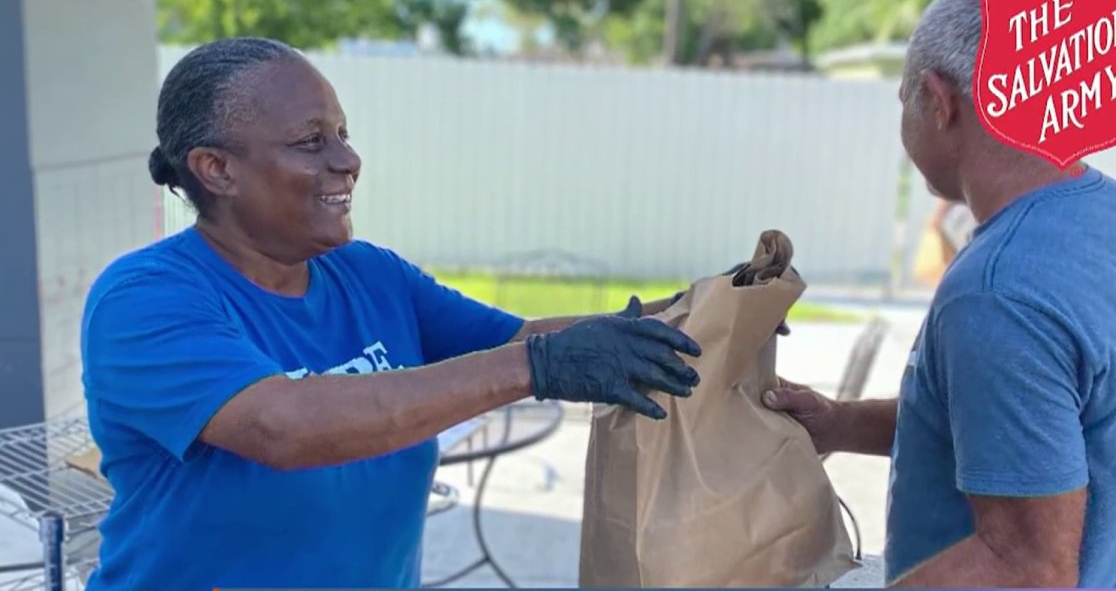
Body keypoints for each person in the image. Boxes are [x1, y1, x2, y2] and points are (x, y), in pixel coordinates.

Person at [79, 37, 713, 590]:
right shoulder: (143, 298)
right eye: (310, 141)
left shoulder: (369, 273)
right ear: (216, 169)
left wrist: (708, 313)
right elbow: (282, 427)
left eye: (343, 135)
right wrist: (536, 367)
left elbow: (518, 339)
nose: (347, 161)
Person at [764, 0, 1116, 589]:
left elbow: (1026, 568)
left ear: (939, 102)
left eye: (903, 99)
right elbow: (1022, 431)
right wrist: (838, 423)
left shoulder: (998, 292)